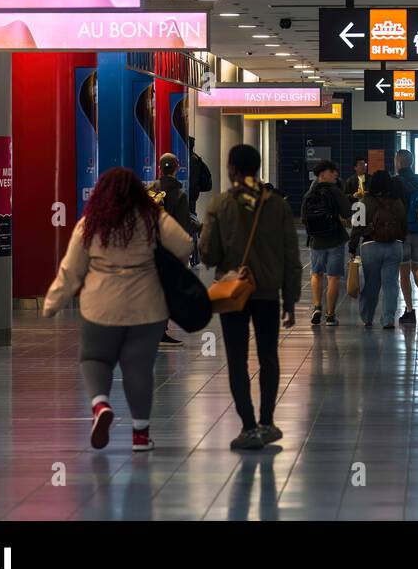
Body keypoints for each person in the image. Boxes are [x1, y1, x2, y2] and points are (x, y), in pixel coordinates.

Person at [43, 167, 193, 453]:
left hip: (100, 306)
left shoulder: (90, 224)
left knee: (94, 359)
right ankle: (139, 436)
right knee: (138, 367)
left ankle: (100, 404)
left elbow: (70, 270)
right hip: (147, 307)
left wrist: (52, 303)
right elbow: (185, 244)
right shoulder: (152, 219)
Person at [200, 144, 302, 451]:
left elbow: (207, 254)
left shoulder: (220, 205)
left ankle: (248, 427)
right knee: (268, 356)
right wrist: (291, 300)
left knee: (237, 359)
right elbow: (290, 255)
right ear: (257, 168)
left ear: (231, 168)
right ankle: (268, 421)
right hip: (268, 294)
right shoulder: (277, 205)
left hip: (234, 293)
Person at [352, 170, 407, 328]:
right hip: (394, 246)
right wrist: (399, 239)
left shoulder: (363, 202)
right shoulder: (397, 202)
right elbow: (403, 224)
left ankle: (367, 317)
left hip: (370, 247)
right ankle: (388, 319)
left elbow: (356, 227)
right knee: (391, 284)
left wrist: (352, 246)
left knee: (371, 284)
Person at [301, 158, 352, 326]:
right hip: (335, 240)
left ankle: (317, 307)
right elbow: (346, 212)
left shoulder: (309, 194)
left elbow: (303, 218)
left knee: (316, 274)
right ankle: (330, 315)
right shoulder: (335, 191)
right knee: (333, 278)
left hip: (316, 242)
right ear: (322, 174)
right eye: (332, 173)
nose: (335, 176)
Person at [148, 153, 193, 346]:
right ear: (177, 168)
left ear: (159, 168)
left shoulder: (148, 190)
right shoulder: (179, 195)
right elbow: (183, 225)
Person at [392, 149, 418, 323]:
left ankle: (409, 311)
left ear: (398, 162)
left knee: (404, 272)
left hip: (402, 233)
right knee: (417, 268)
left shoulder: (394, 182)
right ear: (412, 162)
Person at [187, 135, 212, 215]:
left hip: (189, 198)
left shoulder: (191, 160)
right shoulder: (195, 158)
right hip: (192, 198)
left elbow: (192, 183)